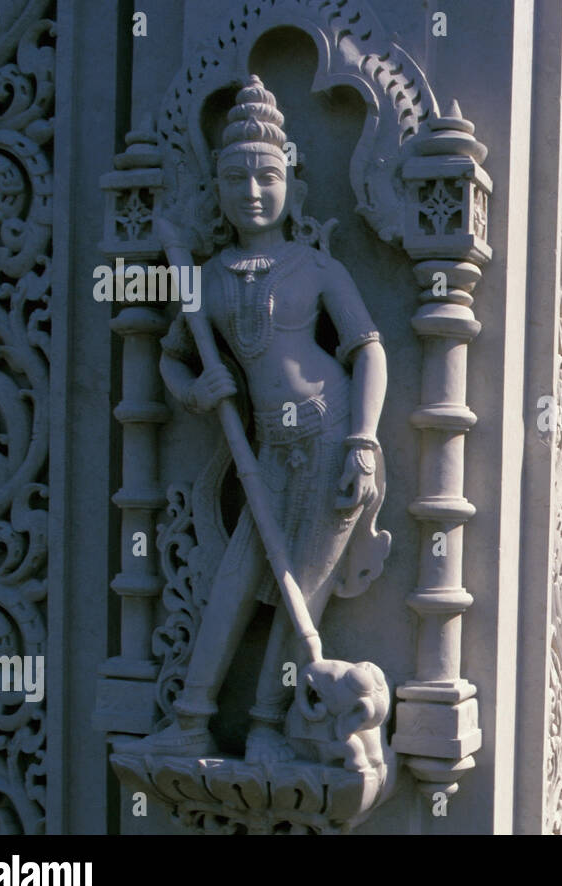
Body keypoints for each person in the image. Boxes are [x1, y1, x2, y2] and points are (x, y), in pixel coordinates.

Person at [117, 76, 389, 763]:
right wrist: (197, 391)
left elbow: (369, 351)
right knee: (236, 583)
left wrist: (363, 440)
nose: (252, 190)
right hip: (265, 451)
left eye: (266, 175)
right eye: (235, 177)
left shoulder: (315, 266)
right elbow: (174, 360)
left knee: (306, 589)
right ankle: (190, 717)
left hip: (331, 441)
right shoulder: (206, 277)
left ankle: (269, 723)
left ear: (289, 182)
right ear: (216, 188)